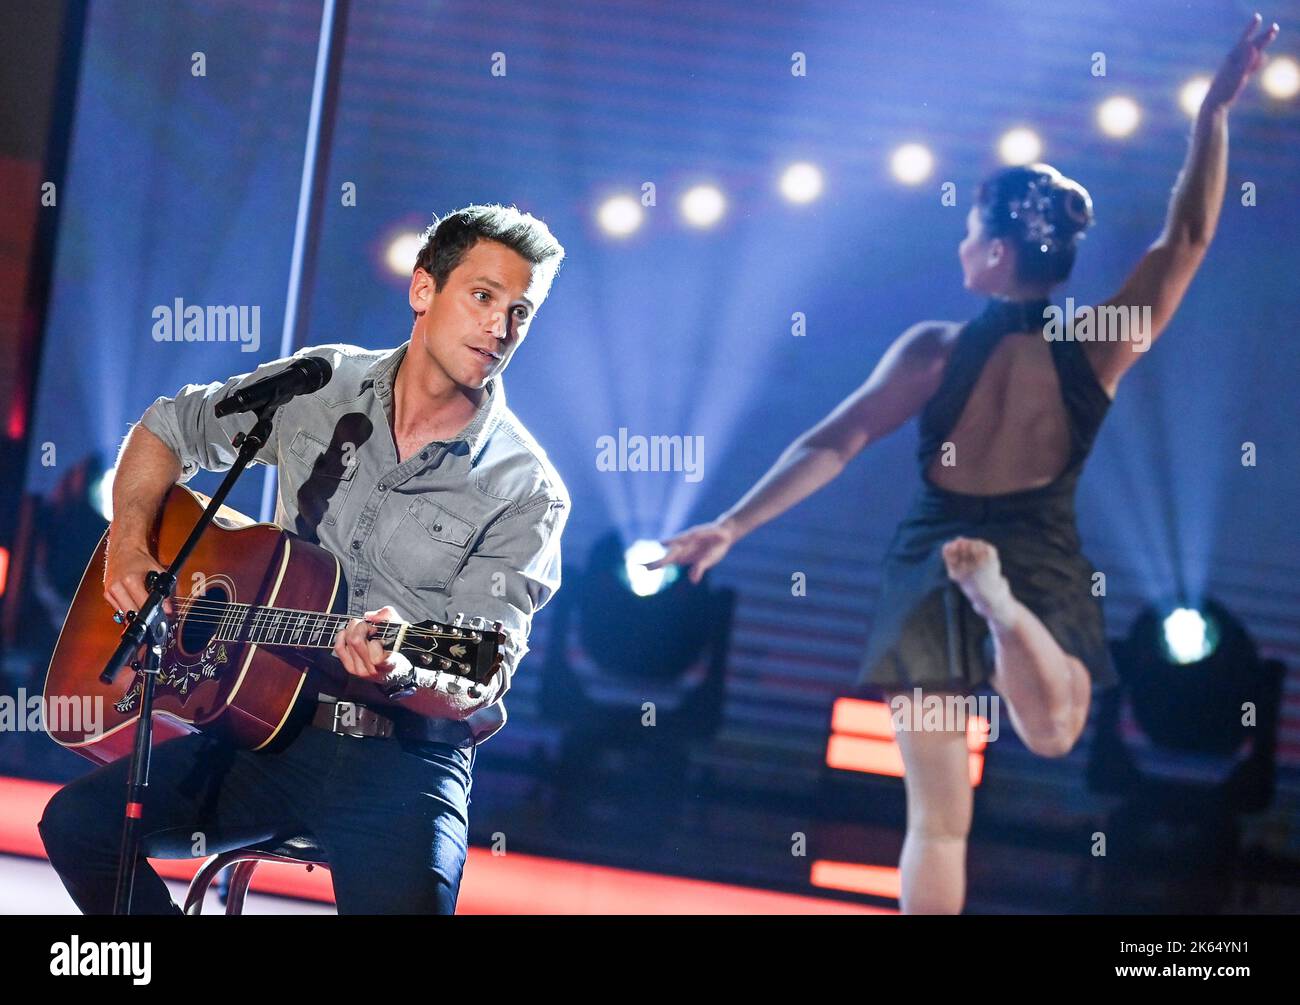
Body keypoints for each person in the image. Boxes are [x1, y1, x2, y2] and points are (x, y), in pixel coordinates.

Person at [647, 16, 1278, 914]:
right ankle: (1007, 612)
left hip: (934, 554)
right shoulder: (1094, 345)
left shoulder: (935, 348)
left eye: (970, 231)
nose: (959, 246)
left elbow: (835, 438)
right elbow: (1187, 243)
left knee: (937, 821)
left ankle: (996, 604)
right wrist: (1212, 115)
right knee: (1054, 730)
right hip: (1036, 550)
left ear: (994, 252)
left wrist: (734, 523)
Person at [39, 204, 571, 914]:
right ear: (423, 290)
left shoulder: (526, 490)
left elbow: (480, 673)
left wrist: (405, 668)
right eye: (483, 297)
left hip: (404, 759)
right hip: (265, 727)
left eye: (521, 312)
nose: (500, 329)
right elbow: (166, 428)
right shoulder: (322, 385)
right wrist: (130, 548)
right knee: (79, 825)